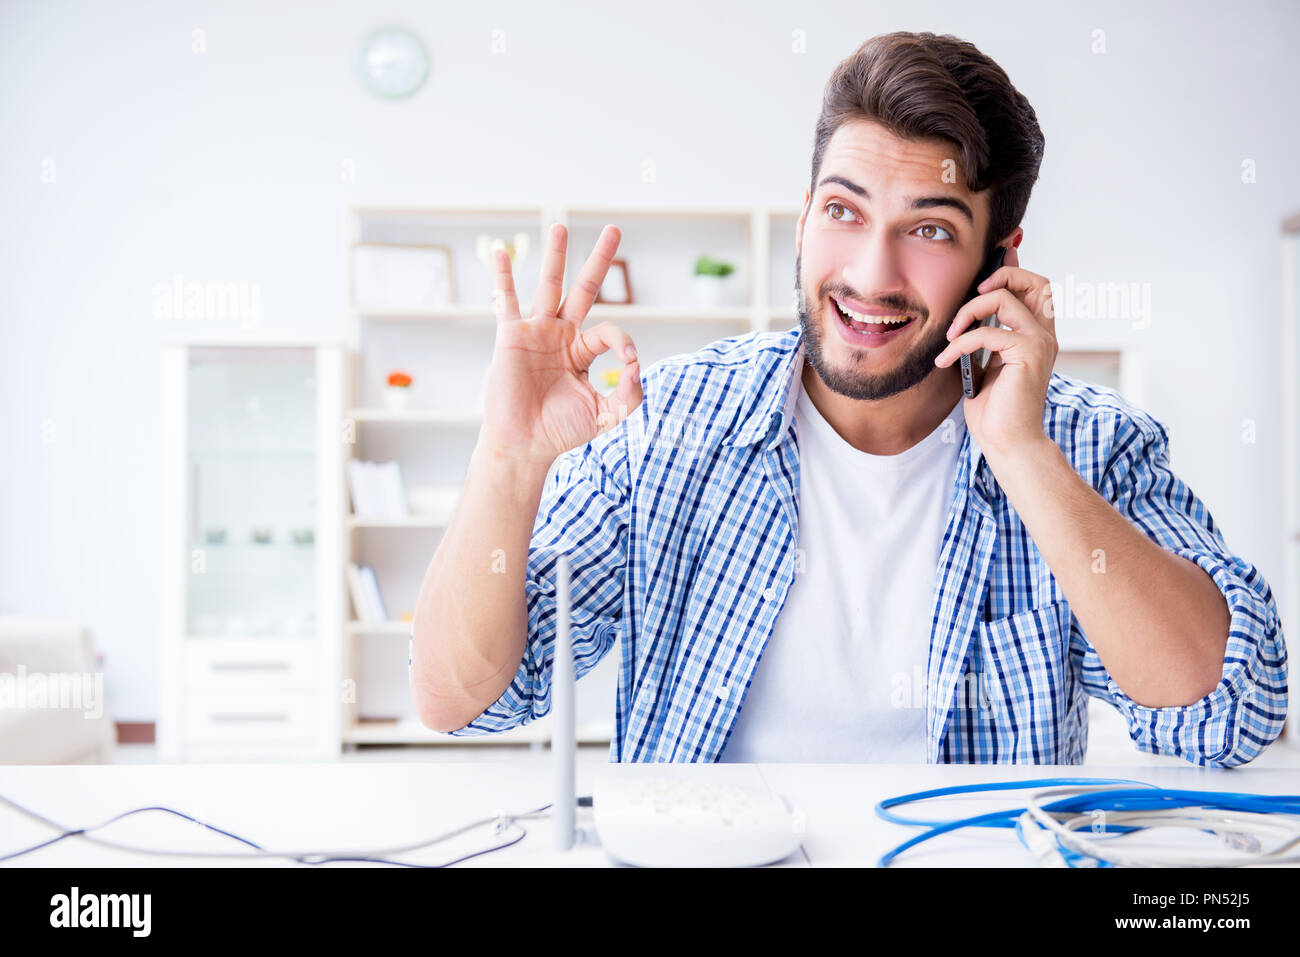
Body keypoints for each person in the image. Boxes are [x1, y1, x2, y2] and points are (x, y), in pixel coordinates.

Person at [410, 31, 1287, 765]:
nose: (872, 274)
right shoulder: (667, 424)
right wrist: (506, 461)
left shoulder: (1088, 447)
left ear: (1000, 260)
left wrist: (1023, 455)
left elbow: (1231, 715)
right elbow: (460, 699)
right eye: (844, 211)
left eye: (931, 229)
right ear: (803, 218)